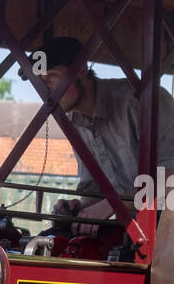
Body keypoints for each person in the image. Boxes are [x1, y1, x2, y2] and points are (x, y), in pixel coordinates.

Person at [41, 36, 174, 233]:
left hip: (166, 225)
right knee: (51, 241)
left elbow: (171, 175)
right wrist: (78, 206)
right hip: (132, 228)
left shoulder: (138, 102)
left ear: (80, 71)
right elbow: (94, 189)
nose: (45, 87)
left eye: (52, 76)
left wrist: (112, 205)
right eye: (40, 81)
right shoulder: (74, 123)